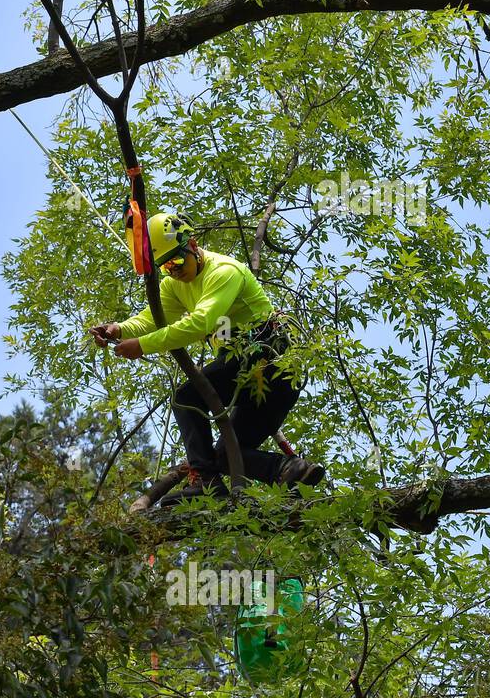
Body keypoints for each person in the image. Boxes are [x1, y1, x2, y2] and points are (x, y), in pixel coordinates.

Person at [90, 213, 324, 503]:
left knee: (187, 397)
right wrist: (120, 329)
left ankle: (204, 482)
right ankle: (290, 469)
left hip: (266, 356)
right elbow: (153, 318)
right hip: (252, 377)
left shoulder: (223, 271)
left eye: (176, 261)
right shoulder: (172, 284)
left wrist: (143, 346)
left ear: (193, 244)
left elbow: (200, 322)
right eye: (165, 266)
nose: (172, 270)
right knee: (227, 454)